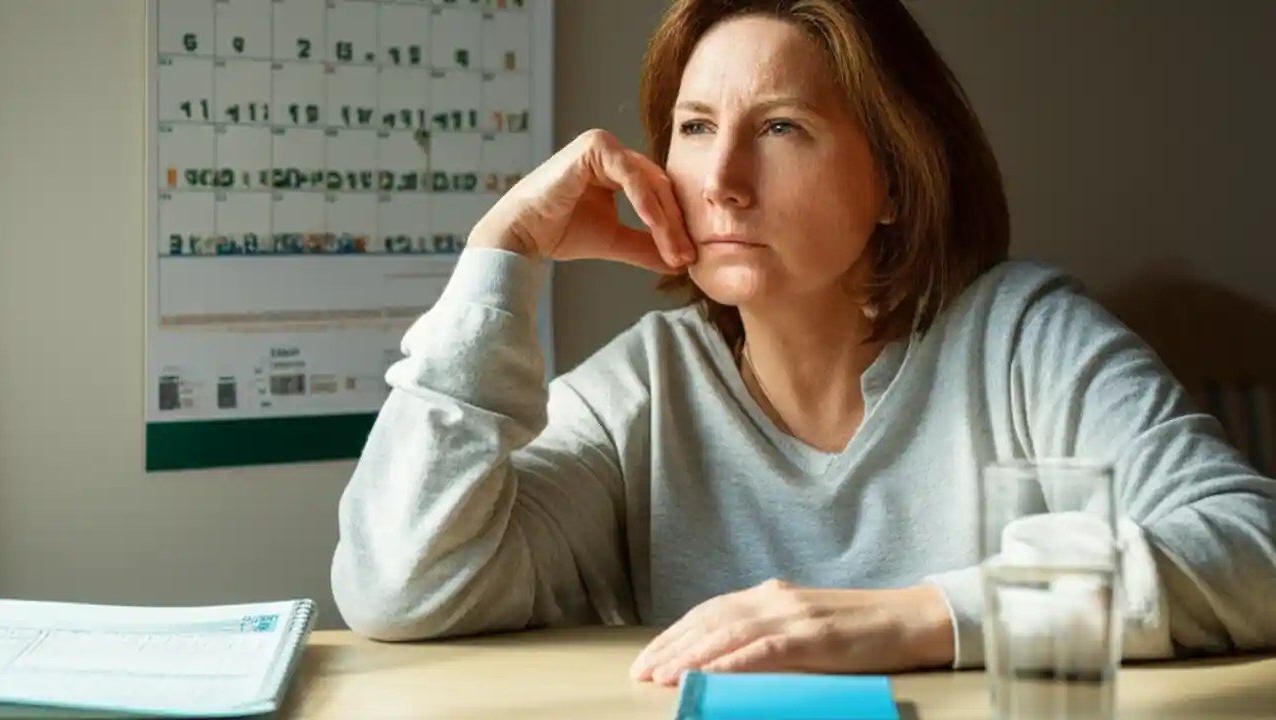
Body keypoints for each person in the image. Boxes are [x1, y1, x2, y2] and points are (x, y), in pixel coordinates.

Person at [331, 0, 1276, 686]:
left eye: (781, 127)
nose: (725, 180)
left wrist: (915, 618)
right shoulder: (642, 392)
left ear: (897, 182)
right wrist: (500, 258)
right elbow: (403, 589)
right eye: (696, 128)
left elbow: (1251, 550)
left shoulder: (1025, 340)